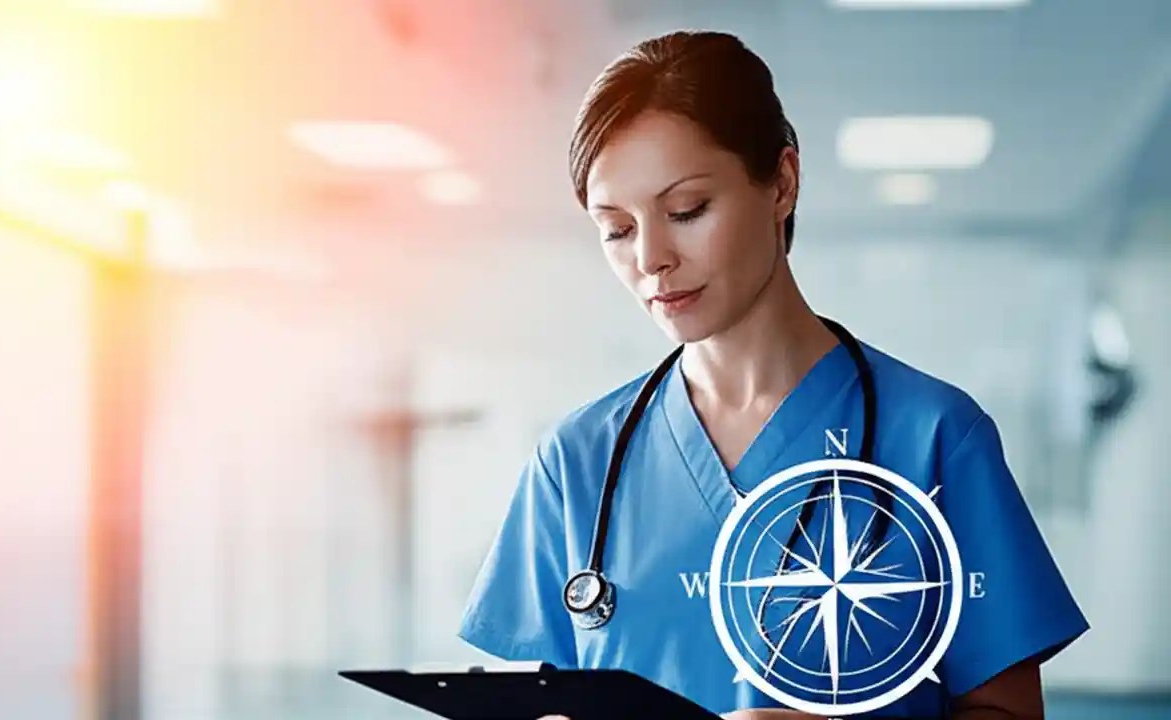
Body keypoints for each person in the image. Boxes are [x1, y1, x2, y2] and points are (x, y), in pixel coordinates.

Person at [456, 29, 1088, 719]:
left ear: (782, 182)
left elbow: (1010, 713)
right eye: (617, 229)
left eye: (686, 211)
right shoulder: (578, 463)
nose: (652, 257)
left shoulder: (934, 438)